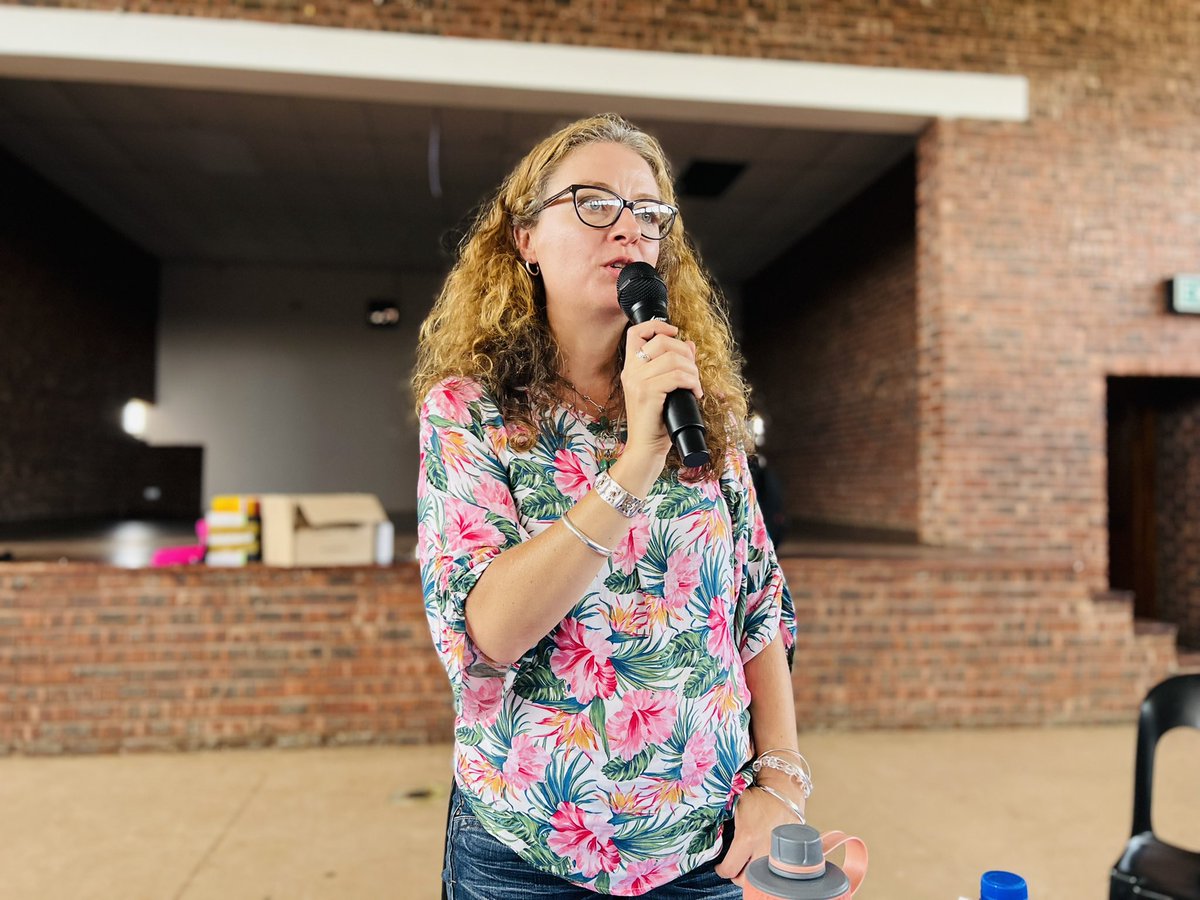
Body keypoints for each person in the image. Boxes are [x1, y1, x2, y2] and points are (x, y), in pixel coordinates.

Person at [414, 113, 804, 899]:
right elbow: (488, 632)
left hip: (706, 844)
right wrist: (634, 465)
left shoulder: (700, 406)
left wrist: (783, 778)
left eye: (649, 212)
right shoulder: (470, 412)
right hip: (527, 852)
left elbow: (757, 604)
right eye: (593, 203)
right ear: (525, 237)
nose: (628, 228)